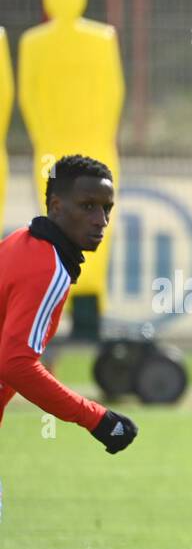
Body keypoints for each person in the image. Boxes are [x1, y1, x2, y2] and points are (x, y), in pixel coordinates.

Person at [0, 153, 137, 452]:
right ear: (56, 207)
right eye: (88, 206)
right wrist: (97, 419)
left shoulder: (21, 241)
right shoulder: (47, 268)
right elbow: (15, 365)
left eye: (106, 209)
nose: (100, 220)